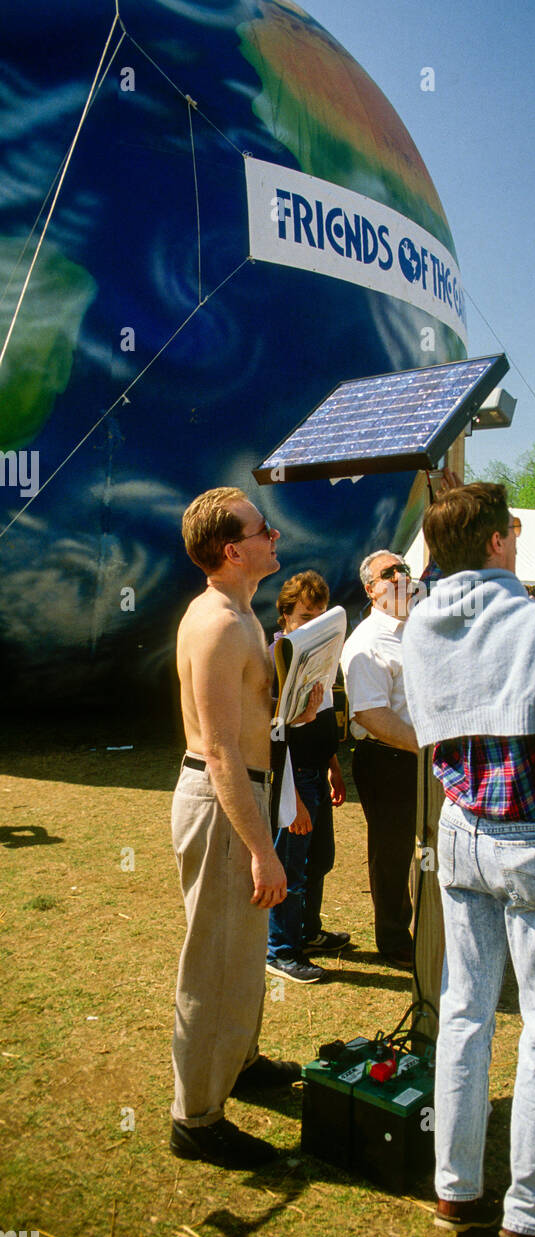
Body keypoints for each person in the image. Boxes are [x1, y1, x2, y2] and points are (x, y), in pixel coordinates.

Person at [402, 482, 535, 1237]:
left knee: (464, 1013)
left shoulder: (421, 622)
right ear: (491, 541)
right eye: (509, 531)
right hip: (532, 836)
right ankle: (529, 1213)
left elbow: (429, 725)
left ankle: (455, 1189)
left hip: (459, 828)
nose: (516, 541)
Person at [170, 488, 300, 1170]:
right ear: (232, 548)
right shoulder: (219, 621)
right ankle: (195, 1118)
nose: (274, 534)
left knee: (242, 949)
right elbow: (220, 749)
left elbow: (251, 719)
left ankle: (238, 1062)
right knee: (214, 960)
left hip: (246, 793)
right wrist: (260, 851)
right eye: (262, 528)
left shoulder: (241, 612)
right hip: (225, 801)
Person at [266, 571, 349, 984]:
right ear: (284, 616)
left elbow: (324, 717)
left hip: (317, 770)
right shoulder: (276, 658)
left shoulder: (318, 655)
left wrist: (333, 766)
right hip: (293, 777)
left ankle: (307, 931)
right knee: (290, 866)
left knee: (319, 861)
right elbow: (273, 733)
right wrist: (292, 796)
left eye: (320, 616)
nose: (312, 625)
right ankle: (280, 949)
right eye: (304, 617)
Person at [340, 550, 419, 968]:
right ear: (371, 590)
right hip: (389, 760)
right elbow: (371, 714)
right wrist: (426, 748)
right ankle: (393, 940)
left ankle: (434, 928)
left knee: (433, 849)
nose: (401, 576)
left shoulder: (417, 629)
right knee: (392, 853)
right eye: (389, 573)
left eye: (403, 568)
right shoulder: (367, 643)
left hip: (423, 758)